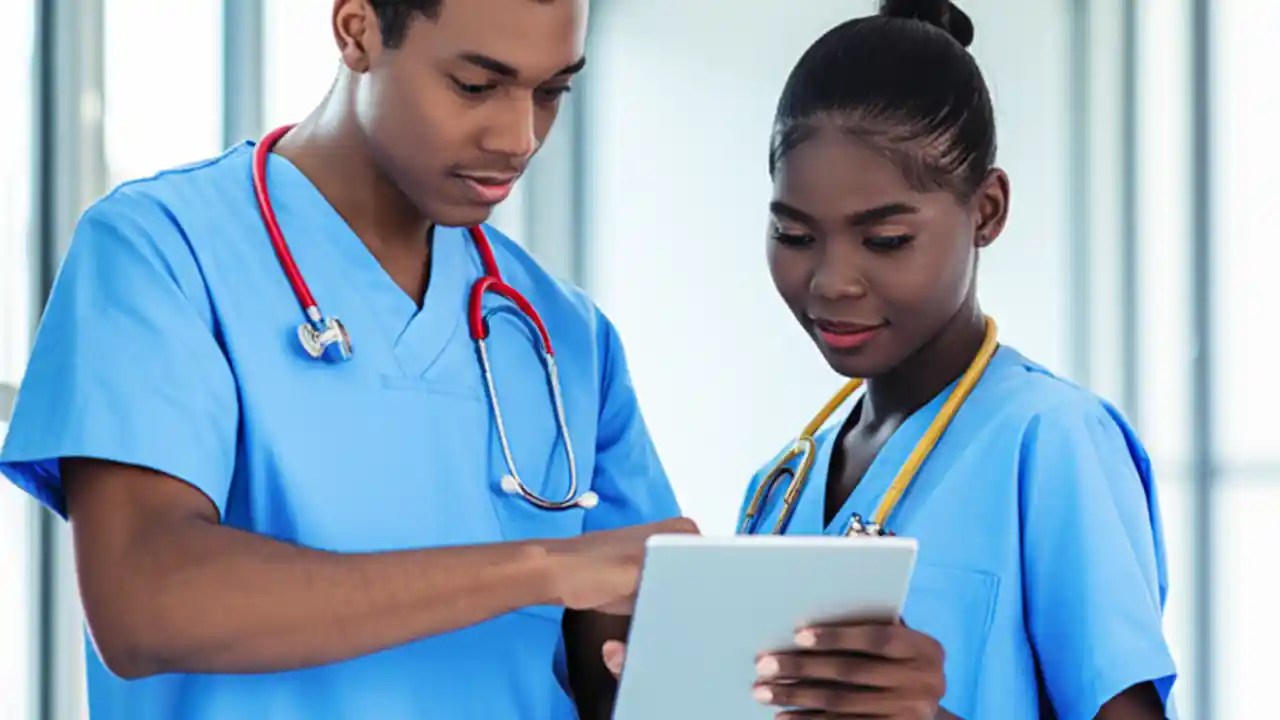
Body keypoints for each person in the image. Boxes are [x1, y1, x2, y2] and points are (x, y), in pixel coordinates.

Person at [0, 0, 696, 718]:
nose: (518, 138)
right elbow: (145, 602)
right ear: (356, 29)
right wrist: (544, 569)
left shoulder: (566, 336)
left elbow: (629, 662)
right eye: (474, 86)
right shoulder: (162, 251)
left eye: (551, 91)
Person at [604, 2, 1177, 718]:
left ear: (987, 211)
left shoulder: (1053, 439)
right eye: (795, 233)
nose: (831, 281)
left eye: (885, 240)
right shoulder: (782, 485)